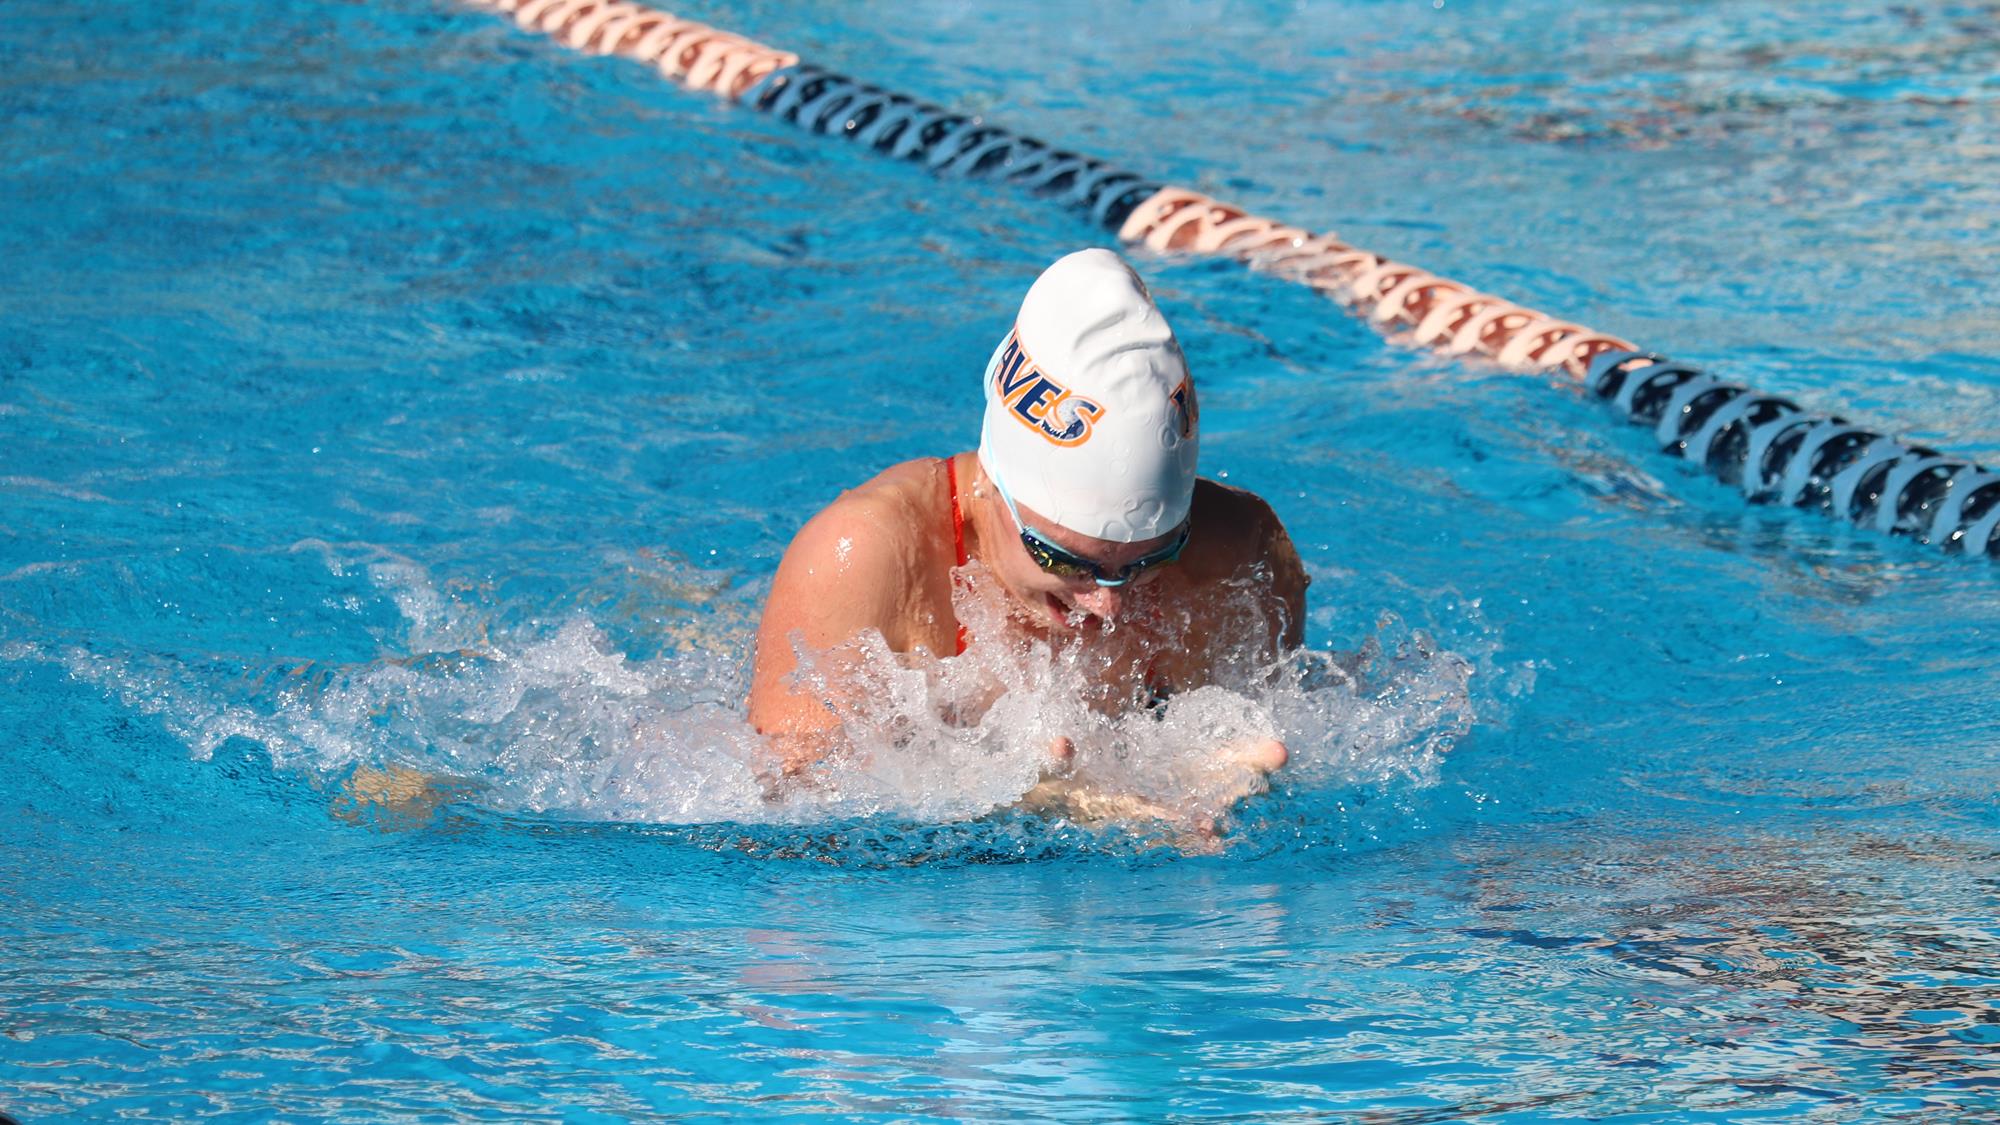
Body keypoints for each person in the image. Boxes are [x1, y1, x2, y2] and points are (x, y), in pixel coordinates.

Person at [749, 249, 1308, 834]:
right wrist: (989, 799)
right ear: (994, 486)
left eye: (1152, 557)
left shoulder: (1239, 553)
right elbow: (783, 816)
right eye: (1065, 559)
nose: (1109, 602)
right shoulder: (865, 556)